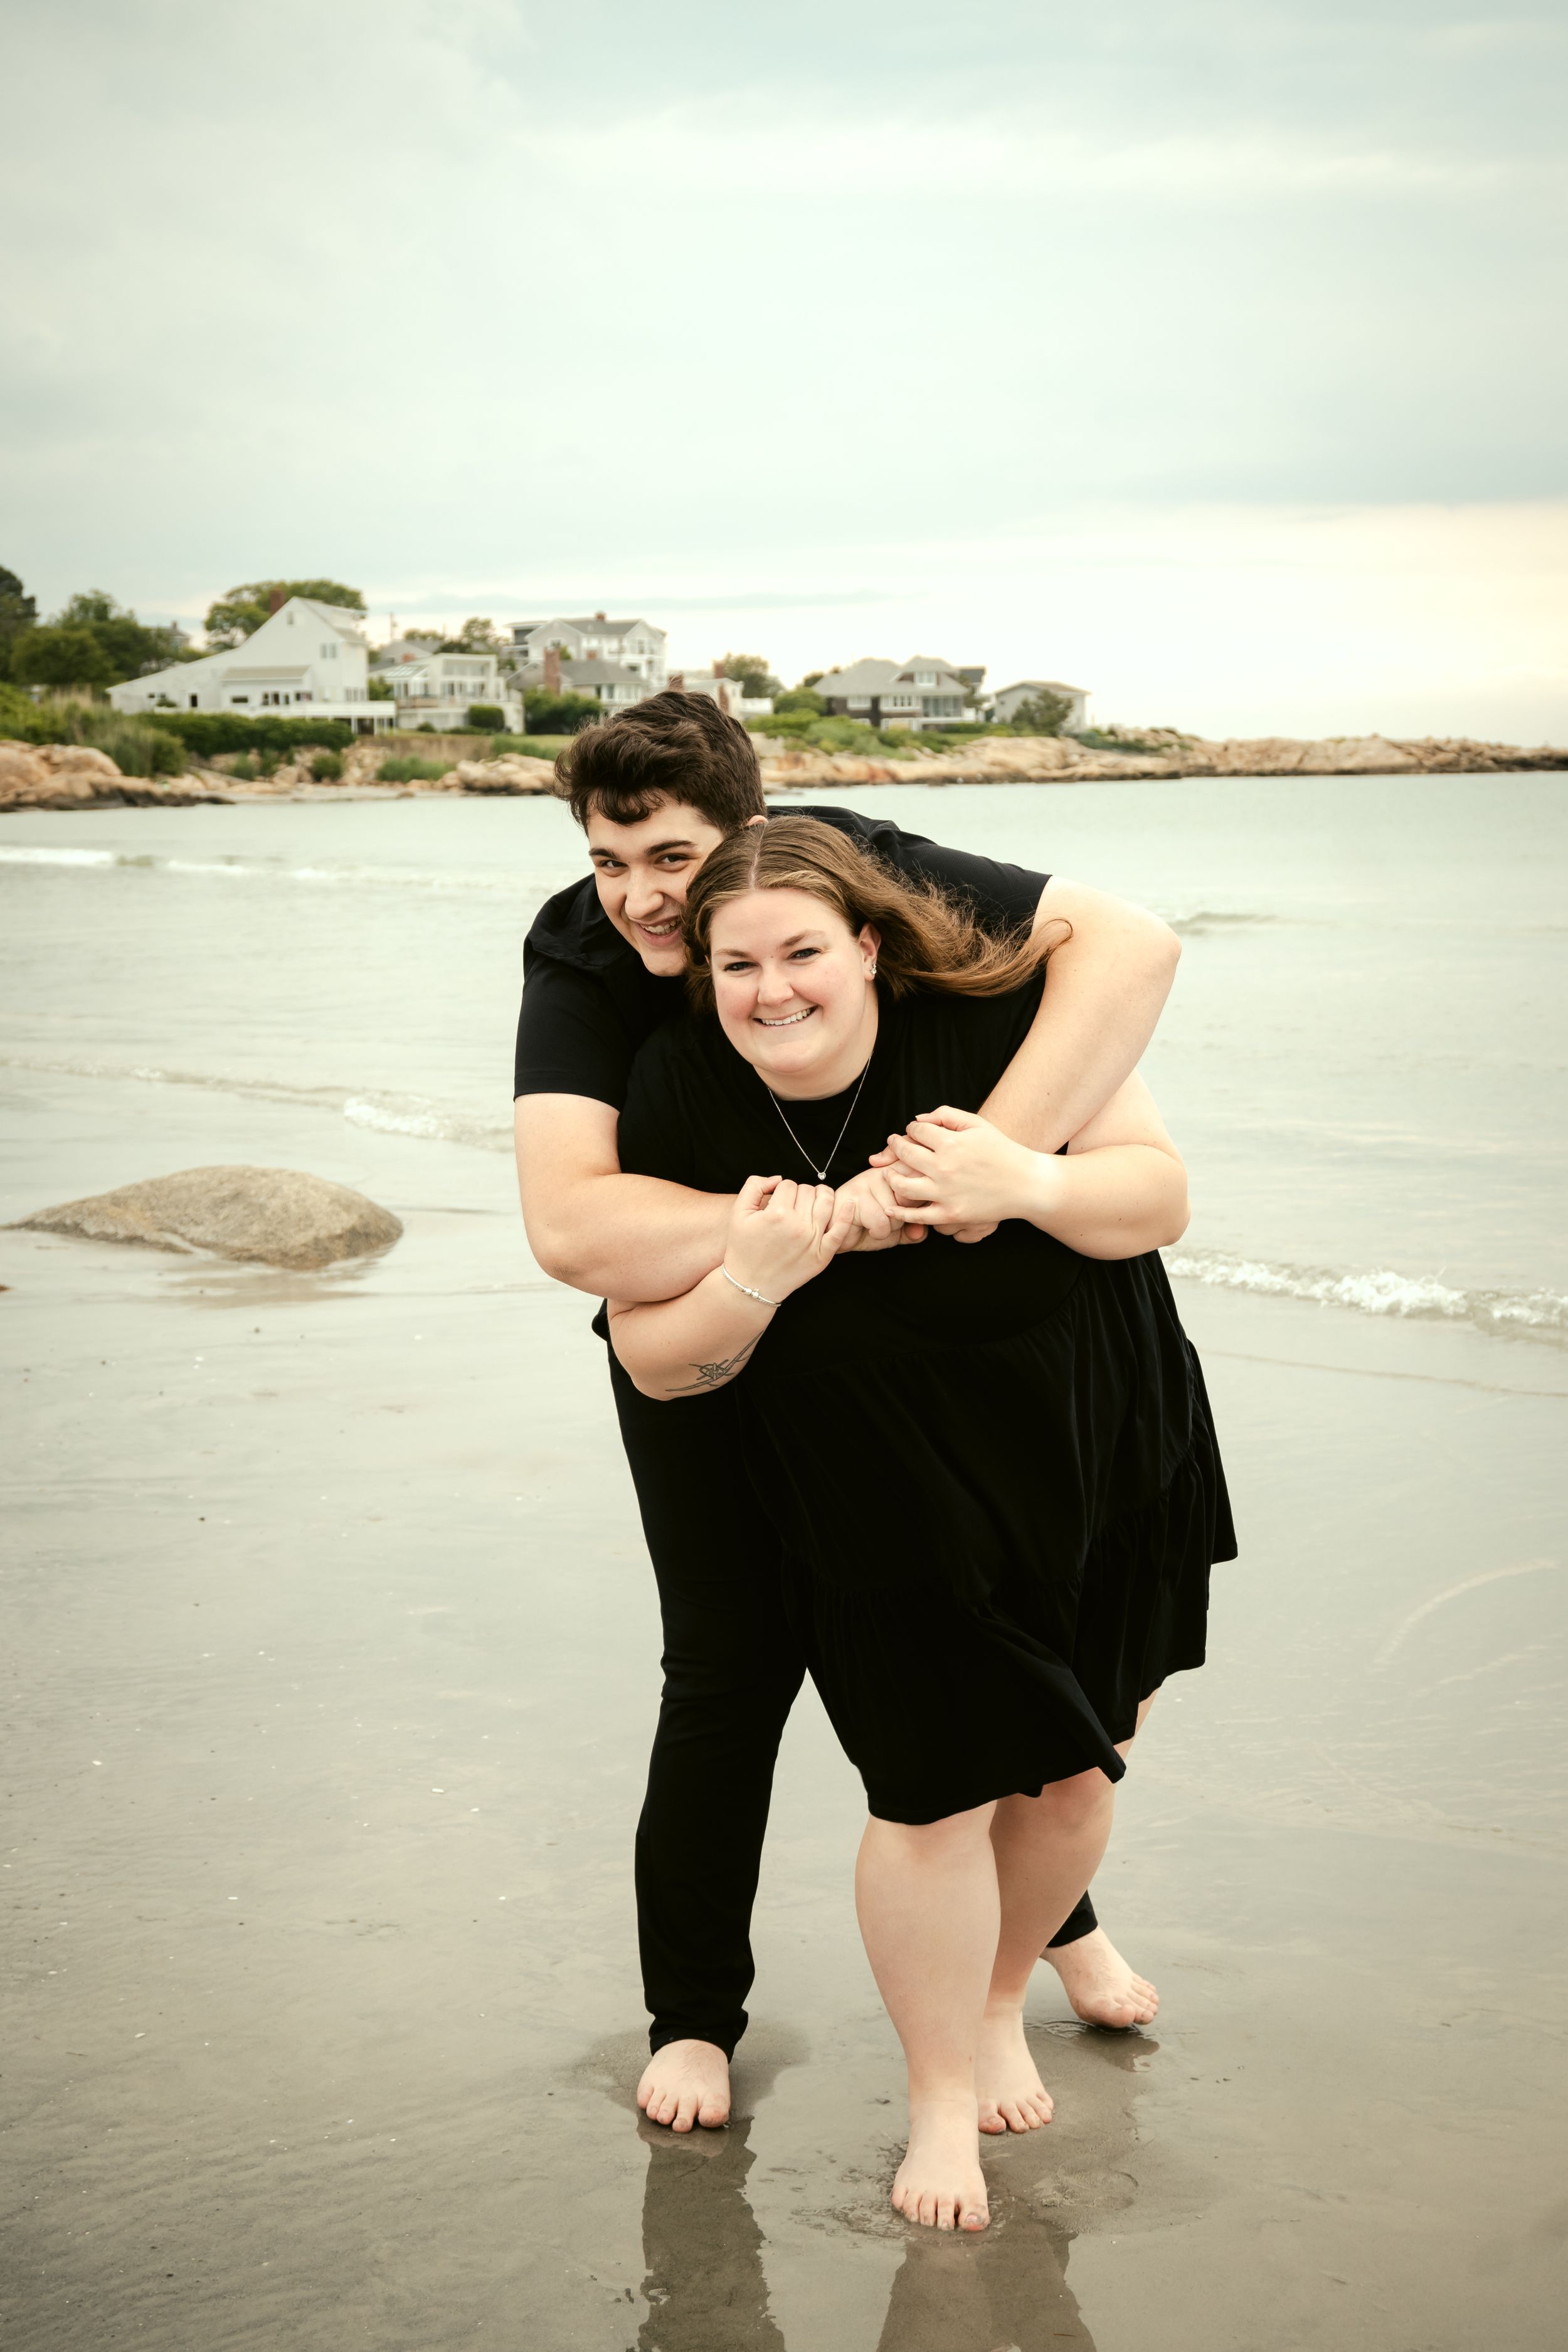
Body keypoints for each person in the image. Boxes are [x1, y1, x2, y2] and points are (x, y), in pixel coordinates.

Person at [513, 692, 1177, 2131]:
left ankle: (1043, 1934)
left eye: (675, 859)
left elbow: (1129, 947)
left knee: (996, 1652)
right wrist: (813, 1225)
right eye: (610, 860)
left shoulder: (859, 876)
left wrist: (996, 1165)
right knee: (728, 1670)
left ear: (760, 837)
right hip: (727, 1303)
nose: (642, 897)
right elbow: (570, 1227)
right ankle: (694, 2015)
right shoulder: (584, 948)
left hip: (941, 1340)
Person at [607, 818, 1234, 2231]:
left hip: (1098, 1447)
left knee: (1073, 1776)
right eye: (736, 964)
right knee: (931, 1794)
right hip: (879, 1492)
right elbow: (648, 1354)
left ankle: (1003, 1998)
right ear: (702, 975)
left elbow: (1159, 1198)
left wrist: (1028, 1177)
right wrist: (759, 1272)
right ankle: (940, 2095)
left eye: (802, 952)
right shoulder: (679, 1088)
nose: (772, 989)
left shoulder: (996, 1018)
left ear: (870, 945)